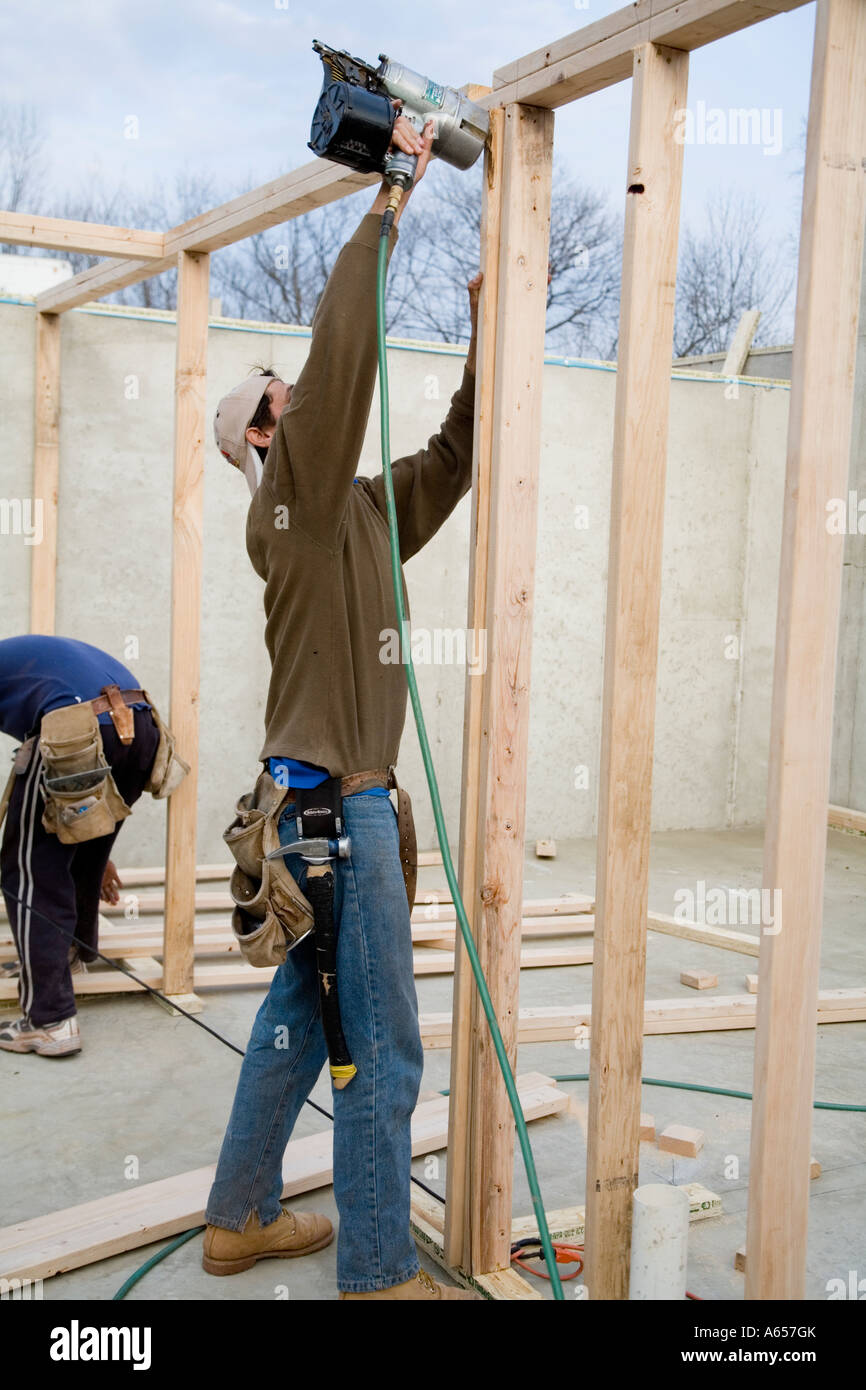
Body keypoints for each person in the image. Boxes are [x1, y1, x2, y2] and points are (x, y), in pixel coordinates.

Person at [207, 112, 483, 1300]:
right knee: (383, 1048)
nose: (304, 396)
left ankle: (236, 1219)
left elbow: (454, 458)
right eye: (286, 395)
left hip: (308, 817)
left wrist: (483, 333)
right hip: (335, 818)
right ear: (266, 436)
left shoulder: (358, 515)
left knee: (287, 1023)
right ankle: (378, 1272)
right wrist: (388, 200)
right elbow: (340, 352)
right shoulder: (289, 515)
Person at [0, 635, 167, 1056]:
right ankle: (70, 953)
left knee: (27, 870)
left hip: (77, 727)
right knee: (81, 850)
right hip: (142, 727)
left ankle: (49, 1019)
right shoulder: (26, 659)